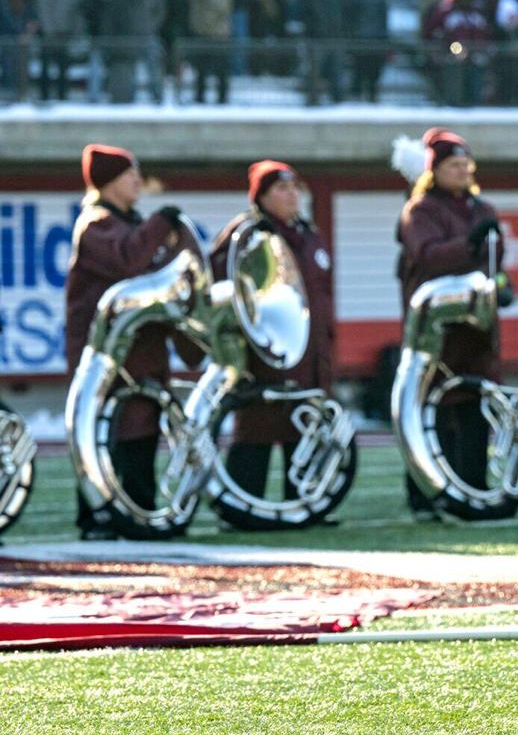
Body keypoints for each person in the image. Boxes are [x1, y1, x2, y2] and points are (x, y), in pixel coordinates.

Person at [64, 145, 184, 538]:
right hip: (108, 361)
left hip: (142, 355)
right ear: (109, 182)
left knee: (142, 432)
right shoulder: (97, 225)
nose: (138, 180)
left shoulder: (131, 223)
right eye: (130, 174)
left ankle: (141, 515)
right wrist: (161, 224)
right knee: (107, 435)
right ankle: (100, 517)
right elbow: (128, 260)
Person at [395, 128, 506, 519]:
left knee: (474, 411)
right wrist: (469, 244)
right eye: (453, 165)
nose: (463, 170)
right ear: (435, 170)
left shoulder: (483, 208)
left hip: (476, 328)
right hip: (435, 332)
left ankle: (474, 493)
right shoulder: (420, 210)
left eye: (466, 164)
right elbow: (427, 256)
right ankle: (426, 496)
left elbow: (495, 265)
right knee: (431, 411)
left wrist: (500, 288)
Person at [209, 162, 334, 503]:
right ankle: (243, 504)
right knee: (256, 431)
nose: (292, 194)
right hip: (265, 355)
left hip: (310, 356)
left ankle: (305, 503)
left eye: (295, 186)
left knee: (304, 429)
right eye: (281, 188)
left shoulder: (309, 234)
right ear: (261, 197)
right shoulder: (246, 234)